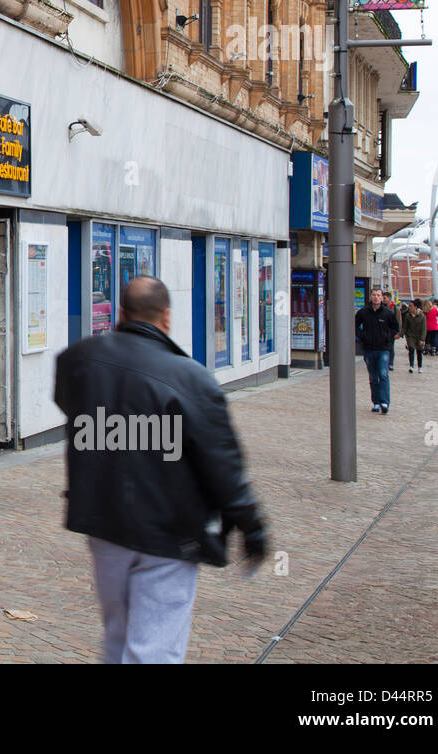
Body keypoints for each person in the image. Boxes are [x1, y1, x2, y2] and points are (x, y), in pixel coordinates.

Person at [54, 277, 266, 664]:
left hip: (104, 521)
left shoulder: (77, 360)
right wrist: (251, 525)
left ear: (121, 313)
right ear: (167, 317)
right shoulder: (191, 378)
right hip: (169, 531)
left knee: (117, 634)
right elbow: (222, 462)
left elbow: (74, 410)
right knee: (154, 646)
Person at [355, 287, 399, 414]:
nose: (376, 297)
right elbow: (355, 325)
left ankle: (385, 402)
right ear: (370, 297)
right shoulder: (363, 312)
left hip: (383, 349)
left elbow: (395, 328)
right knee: (373, 377)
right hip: (369, 349)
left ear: (381, 297)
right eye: (374, 295)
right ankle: (376, 402)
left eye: (378, 295)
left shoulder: (387, 313)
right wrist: (363, 336)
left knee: (383, 374)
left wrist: (388, 338)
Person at [403, 299, 427, 374]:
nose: (409, 307)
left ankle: (419, 367)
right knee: (411, 349)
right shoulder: (408, 316)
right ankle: (411, 366)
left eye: (411, 306)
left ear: (415, 307)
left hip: (419, 336)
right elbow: (405, 327)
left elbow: (424, 329)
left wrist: (422, 339)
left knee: (419, 351)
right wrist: (401, 334)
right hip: (410, 335)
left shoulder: (422, 316)